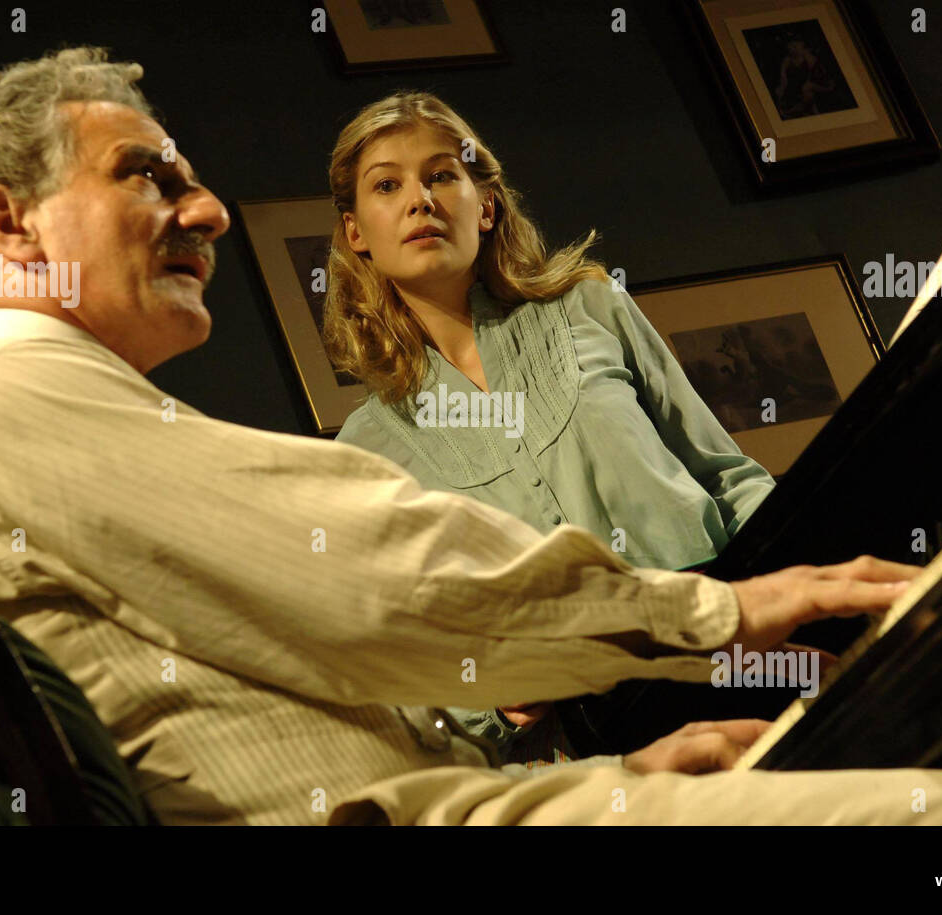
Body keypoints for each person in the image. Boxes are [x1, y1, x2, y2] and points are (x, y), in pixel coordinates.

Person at [0, 46, 942, 826]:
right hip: (612, 690)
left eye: (446, 175)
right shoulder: (2, 405)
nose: (209, 210)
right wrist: (717, 617)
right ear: (8, 227)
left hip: (519, 769)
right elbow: (384, 588)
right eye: (146, 176)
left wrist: (579, 786)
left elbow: (319, 719)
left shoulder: (22, 420)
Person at [323, 92, 777, 765]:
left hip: (743, 635)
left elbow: (730, 478)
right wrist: (499, 701)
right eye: (387, 184)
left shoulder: (591, 305)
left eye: (443, 174)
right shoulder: (363, 447)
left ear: (487, 203)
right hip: (604, 730)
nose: (420, 198)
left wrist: (811, 592)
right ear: (356, 230)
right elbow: (407, 658)